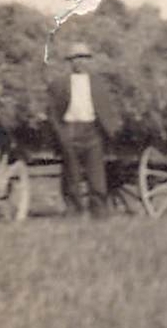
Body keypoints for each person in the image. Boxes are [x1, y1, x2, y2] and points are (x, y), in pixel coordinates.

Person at [47, 42, 123, 217]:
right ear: (70, 62)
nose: (80, 62)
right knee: (71, 175)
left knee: (96, 175)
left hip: (92, 131)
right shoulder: (59, 84)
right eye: (76, 59)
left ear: (89, 61)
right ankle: (73, 211)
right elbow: (52, 112)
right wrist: (61, 134)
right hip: (70, 130)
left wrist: (109, 130)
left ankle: (99, 212)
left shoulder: (98, 84)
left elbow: (107, 108)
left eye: (84, 58)